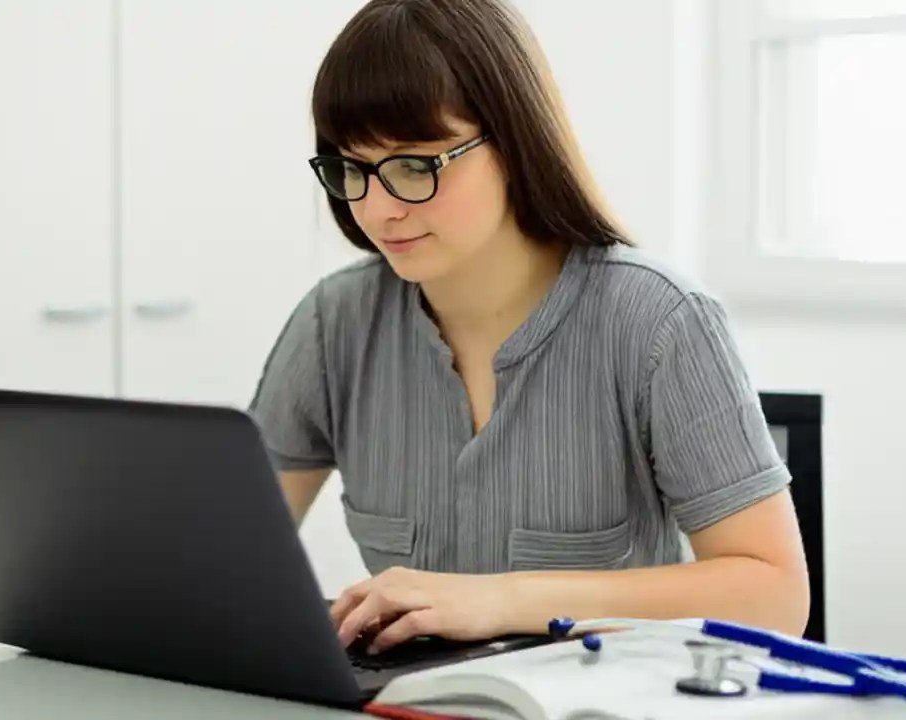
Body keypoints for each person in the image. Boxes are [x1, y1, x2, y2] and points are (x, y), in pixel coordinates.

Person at [247, 0, 810, 656]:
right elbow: (225, 554)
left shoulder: (659, 321)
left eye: (415, 166)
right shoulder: (333, 323)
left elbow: (775, 596)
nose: (378, 208)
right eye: (354, 168)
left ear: (512, 142)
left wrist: (503, 599)